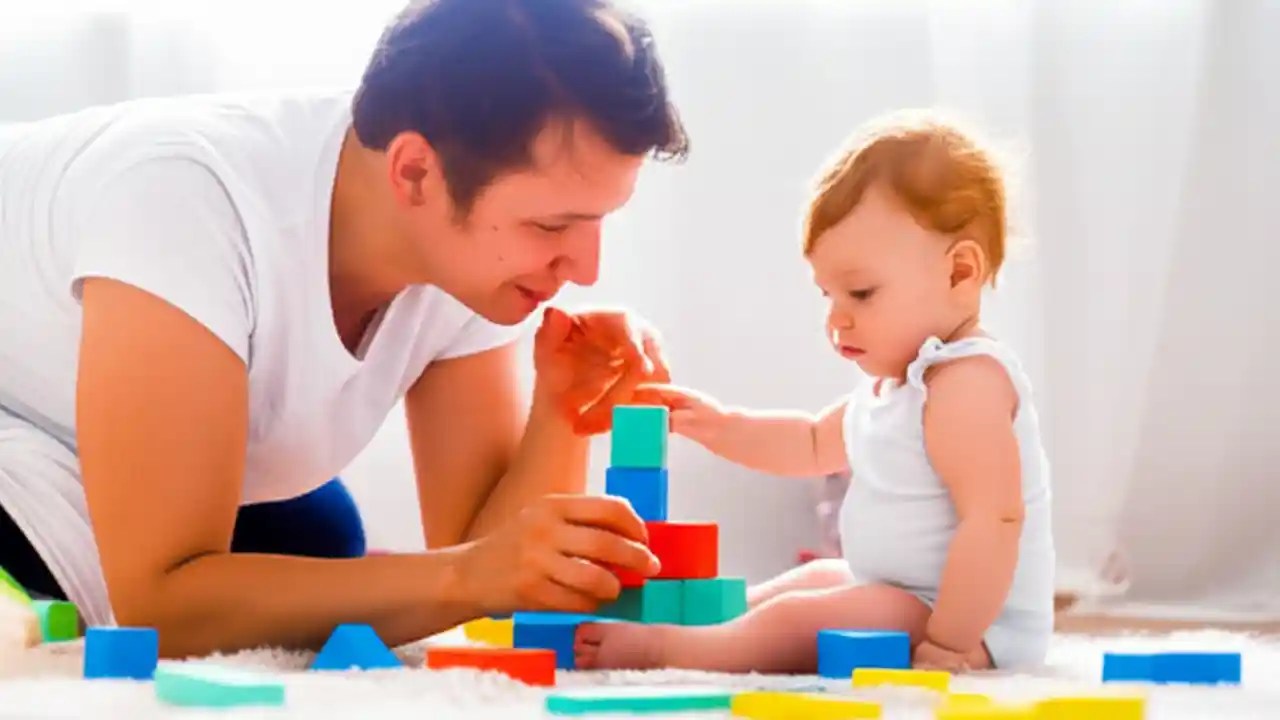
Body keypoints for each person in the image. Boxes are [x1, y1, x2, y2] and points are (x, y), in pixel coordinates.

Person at [0, 0, 688, 658]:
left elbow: (493, 569)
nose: (587, 269)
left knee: (318, 539)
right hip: (17, 421)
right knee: (275, 559)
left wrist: (563, 410)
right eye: (551, 226)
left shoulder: (462, 248)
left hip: (87, 417)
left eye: (600, 220)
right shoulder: (185, 205)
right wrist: (465, 574)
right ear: (414, 171)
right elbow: (166, 609)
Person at [576, 112, 1055, 673]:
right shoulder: (895, 387)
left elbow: (994, 520)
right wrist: (718, 423)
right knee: (809, 583)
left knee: (797, 620)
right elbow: (807, 444)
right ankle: (709, 626)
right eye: (828, 294)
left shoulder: (967, 383)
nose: (836, 320)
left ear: (959, 274)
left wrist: (951, 642)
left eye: (860, 292)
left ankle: (670, 651)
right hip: (899, 593)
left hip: (969, 618)